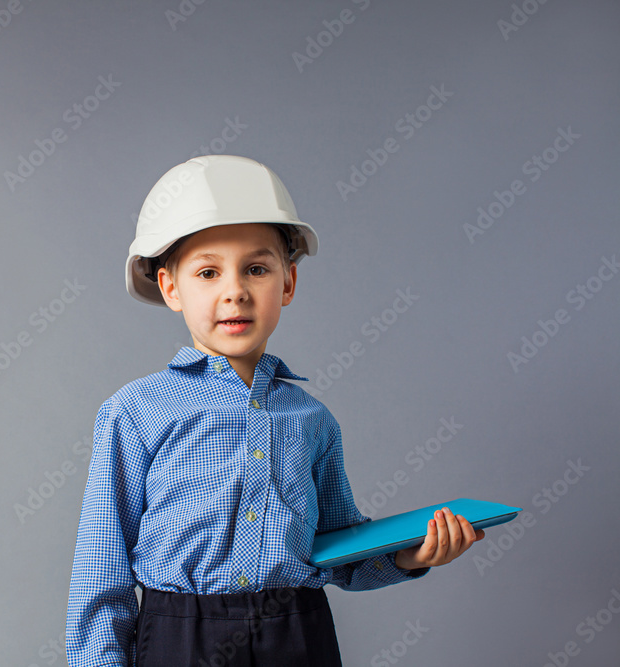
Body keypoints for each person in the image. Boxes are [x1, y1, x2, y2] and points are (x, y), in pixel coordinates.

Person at [65, 155, 484, 667]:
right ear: (170, 287)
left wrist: (408, 556)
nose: (235, 291)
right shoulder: (135, 413)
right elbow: (101, 576)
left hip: (299, 635)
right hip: (181, 640)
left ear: (287, 283)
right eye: (208, 272)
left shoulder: (312, 421)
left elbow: (339, 552)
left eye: (257, 269)